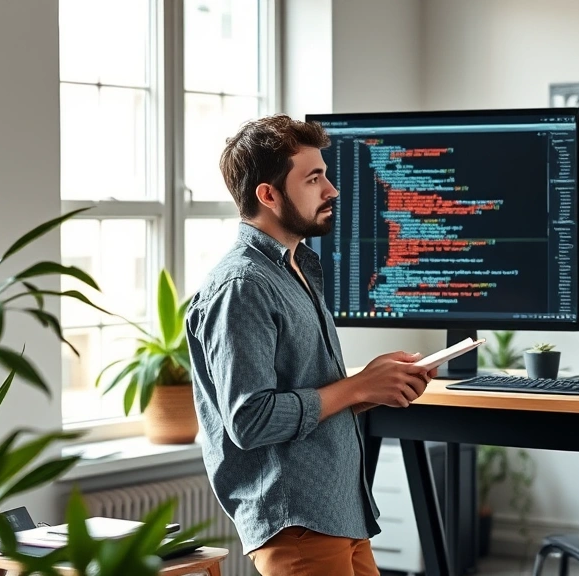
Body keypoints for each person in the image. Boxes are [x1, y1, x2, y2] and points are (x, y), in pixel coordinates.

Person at [185, 114, 437, 576]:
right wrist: (358, 385)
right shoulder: (242, 286)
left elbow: (308, 397)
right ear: (268, 194)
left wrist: (376, 387)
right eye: (314, 178)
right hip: (297, 521)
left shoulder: (297, 269)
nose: (332, 190)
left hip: (338, 513)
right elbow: (251, 419)